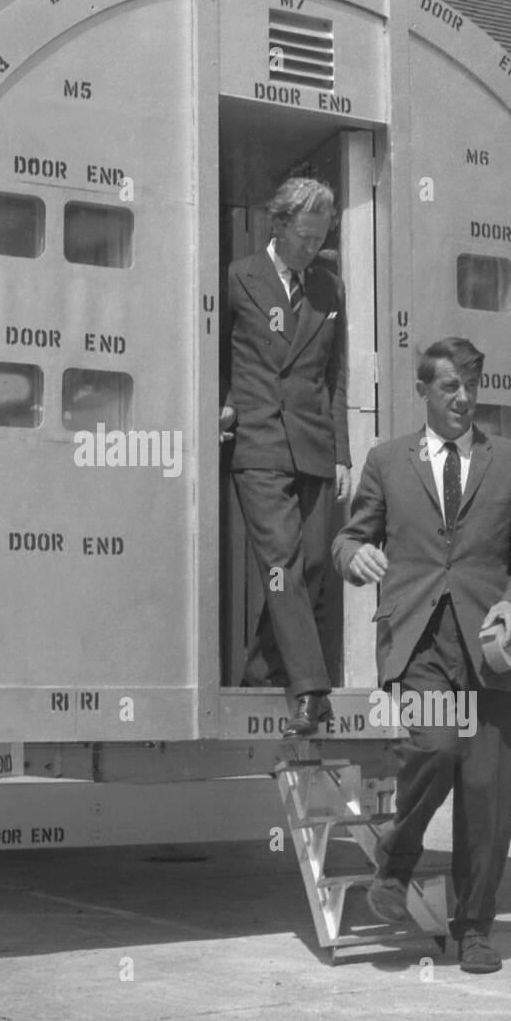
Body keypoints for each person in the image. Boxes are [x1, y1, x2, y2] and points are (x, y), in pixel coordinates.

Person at [332, 337, 511, 973]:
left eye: (472, 385)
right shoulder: (385, 461)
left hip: (490, 647)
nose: (464, 397)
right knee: (435, 746)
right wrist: (355, 558)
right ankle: (396, 864)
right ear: (424, 391)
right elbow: (349, 538)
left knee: (489, 794)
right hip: (419, 641)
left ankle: (476, 929)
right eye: (450, 386)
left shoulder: (509, 461)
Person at [220, 177, 351, 736]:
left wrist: (342, 452)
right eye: (303, 237)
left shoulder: (330, 289)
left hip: (315, 444)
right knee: (281, 564)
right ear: (277, 224)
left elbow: (334, 376)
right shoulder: (236, 277)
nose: (311, 249)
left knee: (314, 567)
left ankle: (259, 675)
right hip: (260, 443)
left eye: (320, 239)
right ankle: (309, 691)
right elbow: (211, 352)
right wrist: (222, 404)